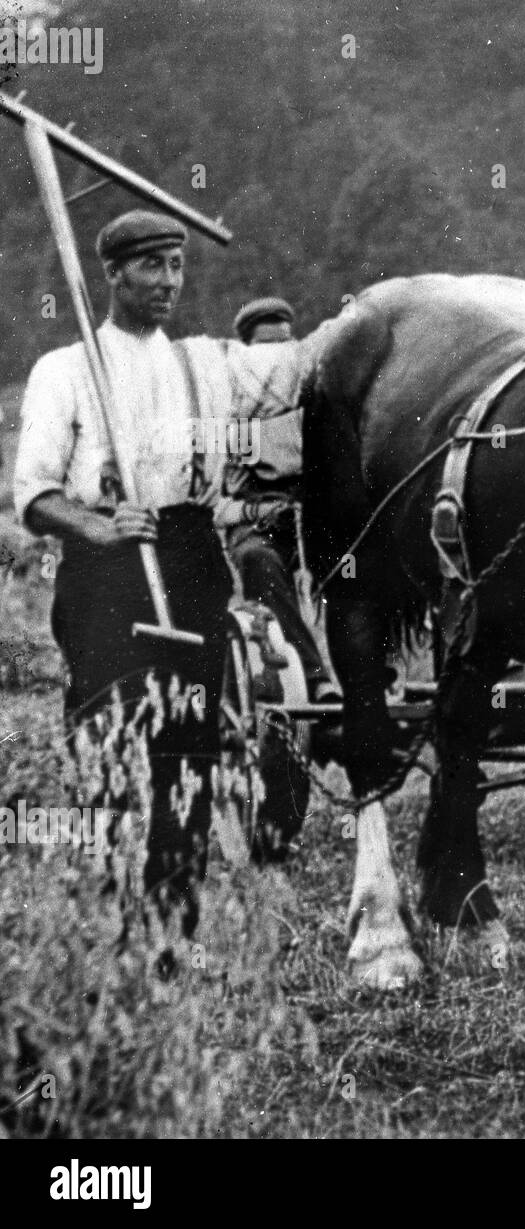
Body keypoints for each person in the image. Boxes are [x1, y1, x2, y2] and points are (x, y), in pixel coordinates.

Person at [12, 209, 307, 943]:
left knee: (189, 751)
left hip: (191, 560)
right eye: (151, 266)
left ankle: (173, 926)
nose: (168, 281)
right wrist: (98, 525)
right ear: (112, 274)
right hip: (107, 572)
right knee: (110, 749)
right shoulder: (67, 368)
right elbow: (36, 493)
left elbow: (296, 368)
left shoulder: (206, 363)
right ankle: (111, 925)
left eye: (176, 265)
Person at [221, 296, 335, 703]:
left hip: (316, 515)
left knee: (358, 565)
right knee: (259, 560)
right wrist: (256, 510)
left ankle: (375, 674)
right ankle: (313, 676)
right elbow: (215, 503)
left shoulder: (318, 401)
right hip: (258, 520)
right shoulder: (225, 416)